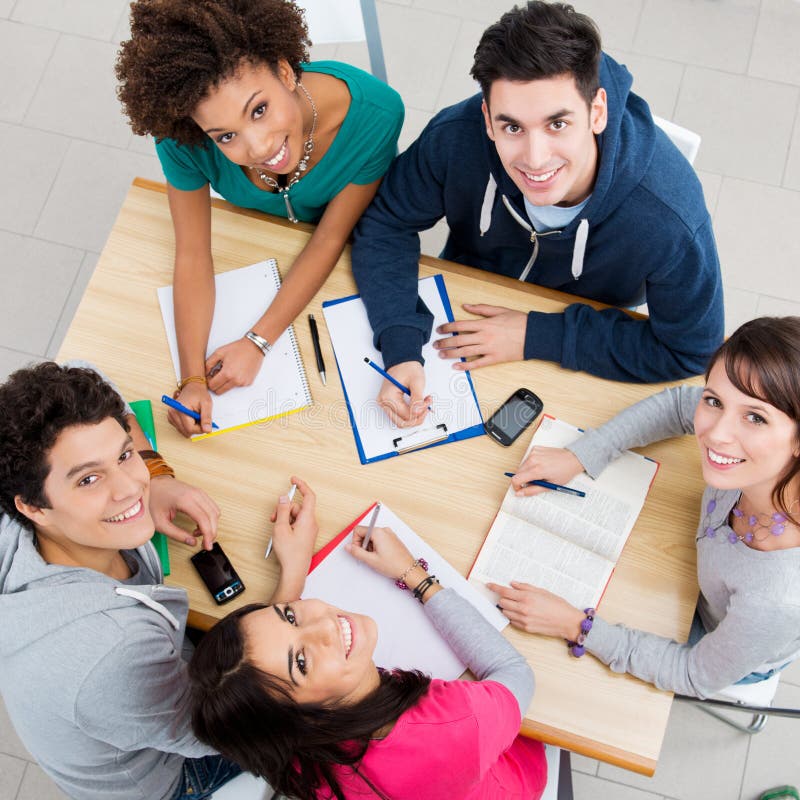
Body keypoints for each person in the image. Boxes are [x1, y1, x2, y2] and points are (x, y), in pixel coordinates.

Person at [351, 1, 723, 428]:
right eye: (512, 128)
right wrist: (399, 346)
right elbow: (385, 221)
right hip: (464, 317)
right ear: (488, 119)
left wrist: (538, 335)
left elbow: (691, 349)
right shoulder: (456, 136)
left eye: (557, 125)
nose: (535, 158)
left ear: (596, 111)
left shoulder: (669, 215)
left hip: (583, 339)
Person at [0, 362, 318, 799]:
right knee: (325, 716)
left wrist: (158, 474)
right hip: (169, 774)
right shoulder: (113, 653)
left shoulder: (19, 513)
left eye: (123, 455)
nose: (130, 489)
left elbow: (98, 376)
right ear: (33, 507)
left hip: (135, 697)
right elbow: (221, 726)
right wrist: (292, 577)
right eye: (89, 479)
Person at [116, 0, 404, 437]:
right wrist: (193, 378)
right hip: (259, 240)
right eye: (226, 136)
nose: (258, 147)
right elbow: (193, 254)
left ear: (286, 72)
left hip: (349, 248)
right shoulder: (181, 140)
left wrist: (258, 341)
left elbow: (329, 240)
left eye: (259, 109)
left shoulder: (374, 115)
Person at [490, 317, 800, 699]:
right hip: (691, 572)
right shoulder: (747, 450)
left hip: (716, 636)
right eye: (714, 401)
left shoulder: (778, 599)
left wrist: (576, 626)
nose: (716, 433)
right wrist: (584, 454)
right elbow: (676, 405)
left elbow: (693, 674)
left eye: (755, 417)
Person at [189, 525, 547, 799]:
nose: (324, 626)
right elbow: (515, 673)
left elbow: (264, 669)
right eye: (301, 662)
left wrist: (293, 572)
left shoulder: (282, 748)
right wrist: (414, 574)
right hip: (515, 771)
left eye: (290, 615)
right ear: (304, 718)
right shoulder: (452, 725)